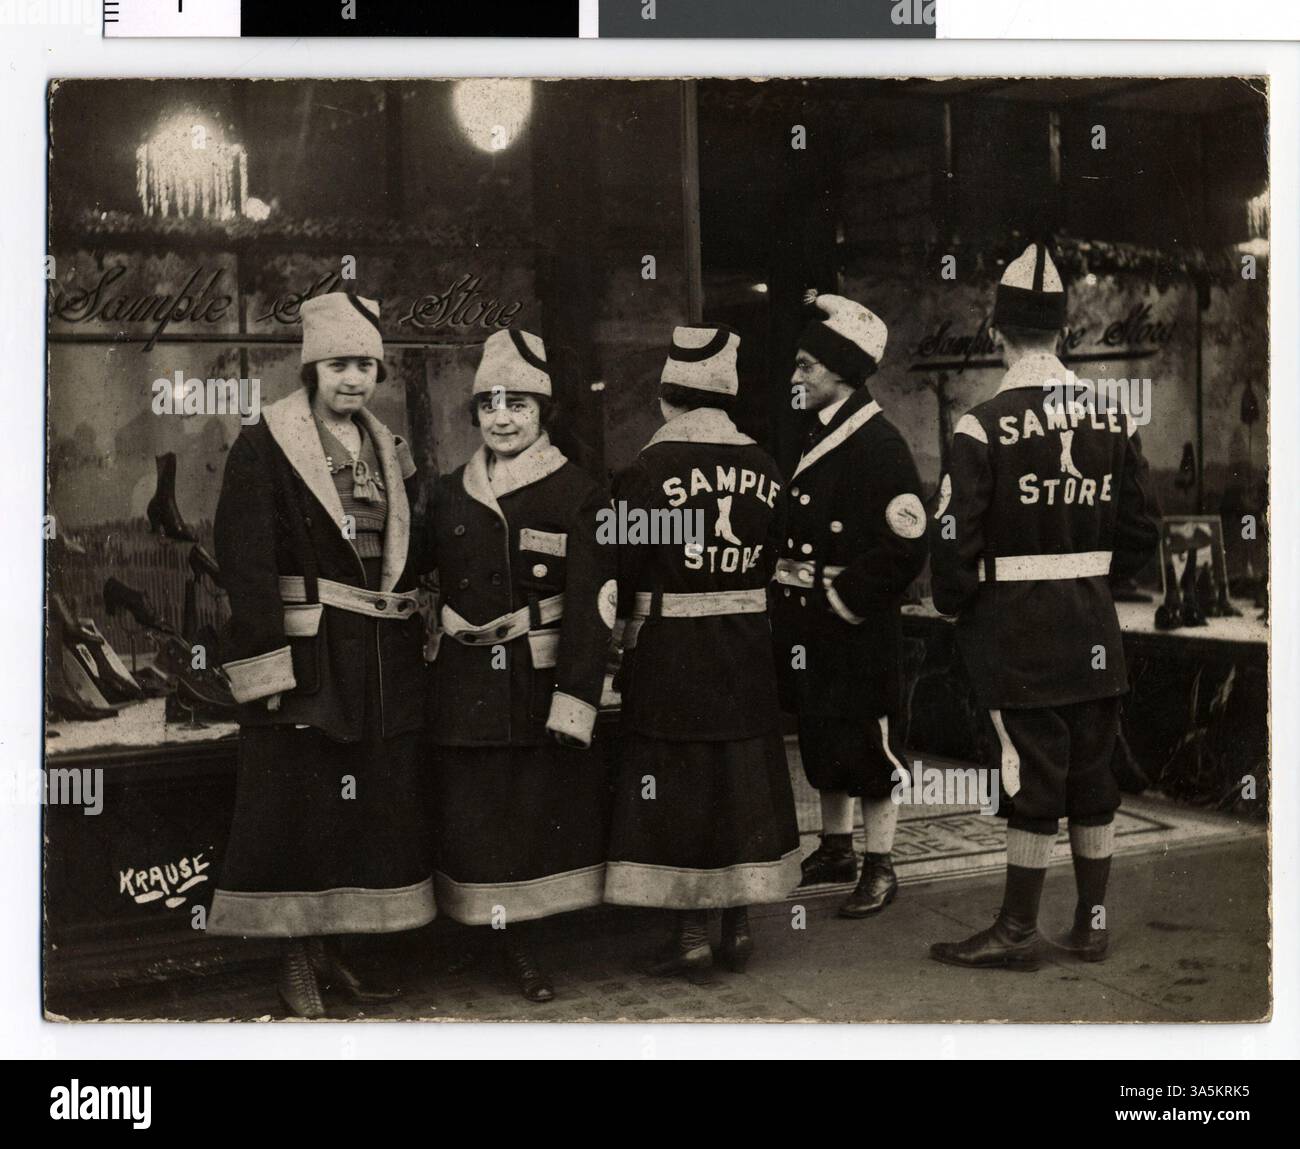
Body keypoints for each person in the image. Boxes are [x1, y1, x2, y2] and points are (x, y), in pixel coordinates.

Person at [928, 242, 1160, 971]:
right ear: (1063, 332)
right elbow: (1143, 531)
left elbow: (952, 551)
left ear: (999, 334)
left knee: (1030, 779)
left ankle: (1018, 927)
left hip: (1019, 636)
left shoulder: (978, 427)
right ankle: (1090, 923)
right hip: (1095, 632)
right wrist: (1089, 580)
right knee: (1094, 778)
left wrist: (958, 607)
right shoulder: (1114, 420)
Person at [208, 292, 435, 1018]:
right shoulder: (265, 443)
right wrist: (267, 665)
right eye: (341, 363)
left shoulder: (386, 445)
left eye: (367, 364)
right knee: (297, 810)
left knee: (357, 813)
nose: (355, 378)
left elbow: (407, 551)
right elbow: (244, 561)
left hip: (375, 660)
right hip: (306, 660)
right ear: (312, 367)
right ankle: (294, 961)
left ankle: (335, 952)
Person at [605, 325, 801, 981]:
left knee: (681, 786)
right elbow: (776, 561)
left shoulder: (647, 471)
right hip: (745, 655)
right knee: (741, 783)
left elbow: (623, 567)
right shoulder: (767, 467)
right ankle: (739, 926)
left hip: (671, 656)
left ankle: (688, 931)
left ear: (667, 396)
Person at [424, 328, 615, 1003]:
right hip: (463, 684)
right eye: (489, 405)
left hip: (534, 682)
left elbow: (595, 606)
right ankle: (479, 933)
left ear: (543, 413)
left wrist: (577, 701)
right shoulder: (447, 492)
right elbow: (421, 582)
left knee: (525, 816)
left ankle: (526, 946)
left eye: (519, 405)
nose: (502, 418)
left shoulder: (576, 493)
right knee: (472, 814)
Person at [769, 293, 928, 919]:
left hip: (854, 627)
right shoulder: (819, 433)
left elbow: (907, 543)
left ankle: (880, 863)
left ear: (840, 371)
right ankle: (835, 848)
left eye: (806, 365)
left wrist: (842, 600)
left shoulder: (878, 443)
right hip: (813, 623)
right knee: (821, 734)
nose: (795, 377)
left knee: (866, 746)